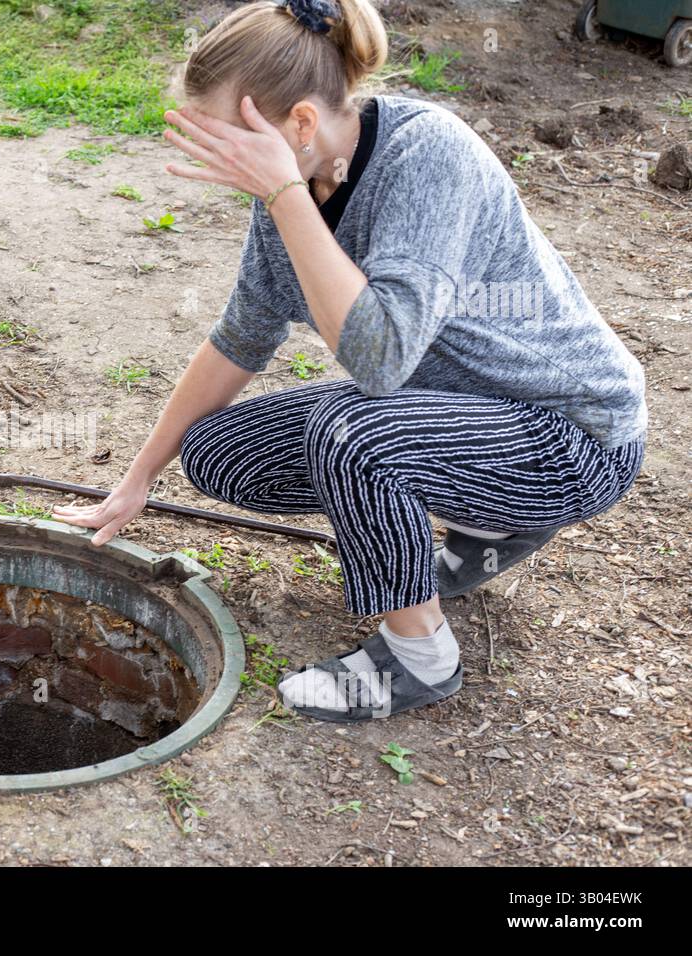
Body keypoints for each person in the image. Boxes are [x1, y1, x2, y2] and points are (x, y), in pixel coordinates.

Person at [53, 0, 647, 722]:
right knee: (217, 454)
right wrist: (138, 478)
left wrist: (282, 193)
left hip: (571, 437)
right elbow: (239, 339)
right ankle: (489, 525)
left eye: (234, 143)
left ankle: (420, 659)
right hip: (463, 419)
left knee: (350, 429)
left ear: (300, 125)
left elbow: (380, 359)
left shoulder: (429, 157)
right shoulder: (298, 187)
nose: (226, 165)